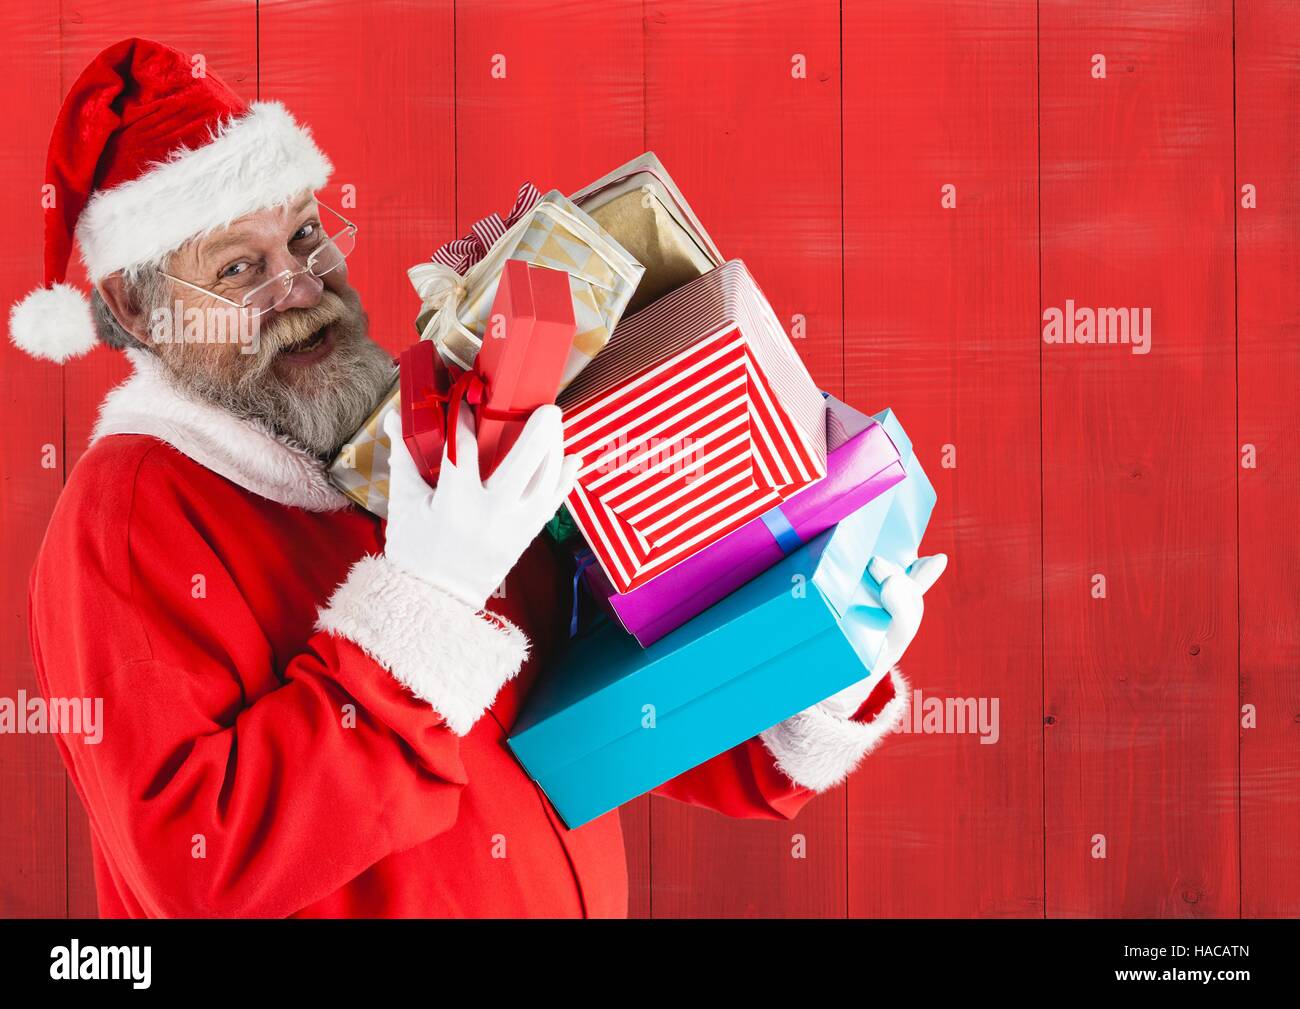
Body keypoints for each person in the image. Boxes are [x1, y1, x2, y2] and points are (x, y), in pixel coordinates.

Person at [12, 37, 946, 918]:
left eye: (303, 237)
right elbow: (200, 860)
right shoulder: (129, 511)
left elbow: (600, 710)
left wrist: (811, 652)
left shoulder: (416, 447)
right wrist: (425, 603)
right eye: (241, 267)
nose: (301, 288)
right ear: (138, 308)